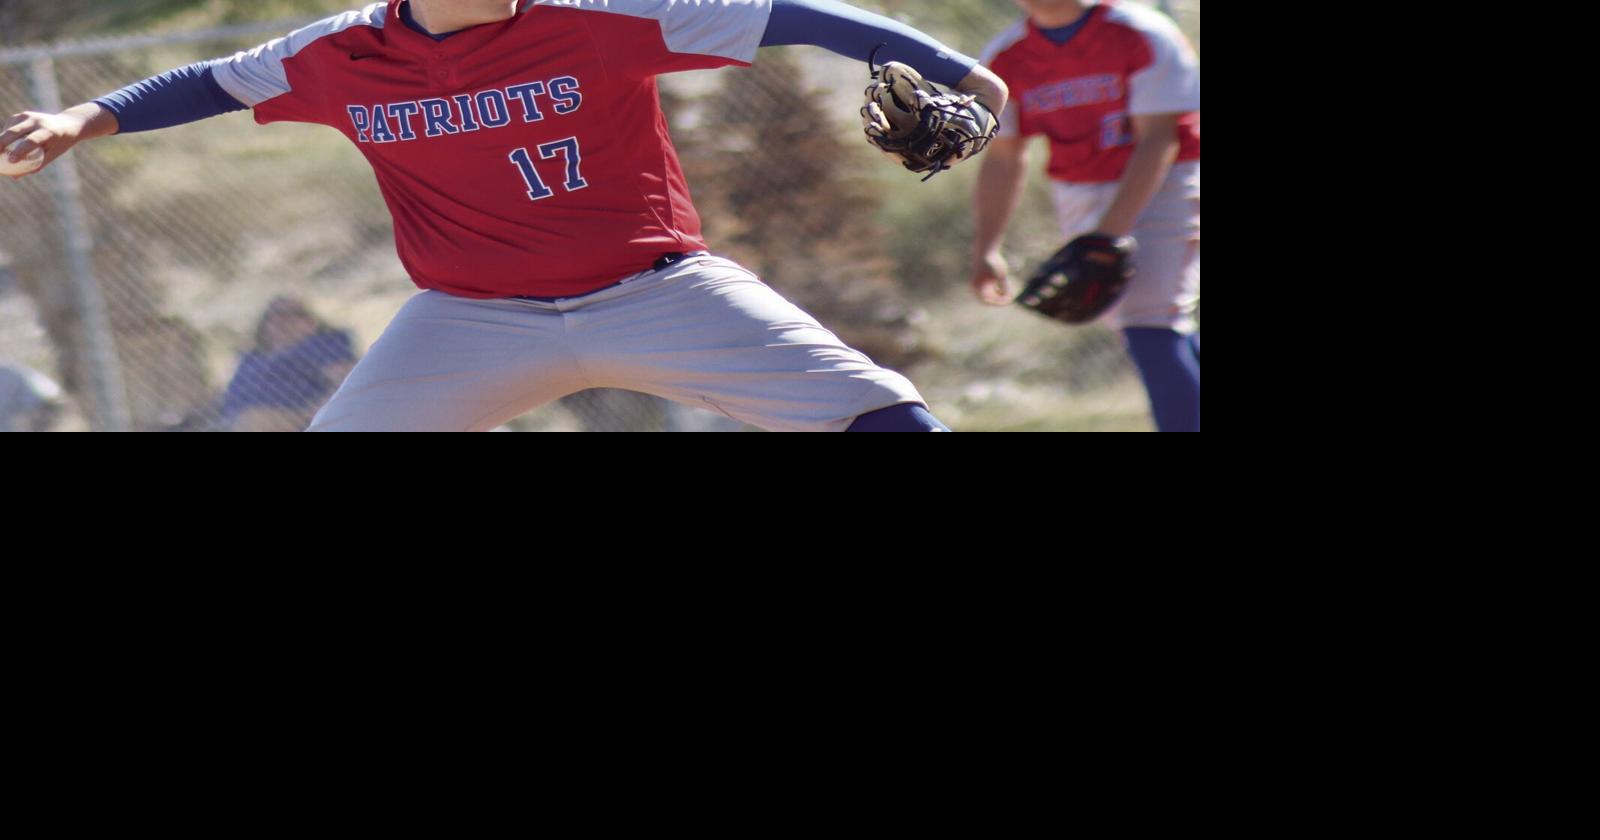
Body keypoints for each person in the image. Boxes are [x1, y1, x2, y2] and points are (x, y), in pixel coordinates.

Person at [2, 0, 1009, 432]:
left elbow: (787, 14)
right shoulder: (336, 55)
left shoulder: (598, 19)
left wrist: (962, 71)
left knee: (876, 410)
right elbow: (209, 81)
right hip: (469, 316)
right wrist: (80, 119)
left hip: (656, 292)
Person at [972, 0, 1198, 432]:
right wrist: (987, 247)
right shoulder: (1006, 55)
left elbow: (1159, 139)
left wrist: (1107, 236)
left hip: (1162, 180)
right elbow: (1004, 155)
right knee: (1151, 321)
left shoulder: (1139, 32)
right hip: (1077, 188)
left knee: (1148, 322)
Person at [220, 296, 358, 432]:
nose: (285, 320)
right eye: (277, 314)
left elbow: (346, 384)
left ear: (312, 322)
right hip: (234, 422)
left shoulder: (322, 344)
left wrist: (307, 416)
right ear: (264, 326)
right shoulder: (249, 360)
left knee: (253, 421)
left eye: (296, 314)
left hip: (298, 420)